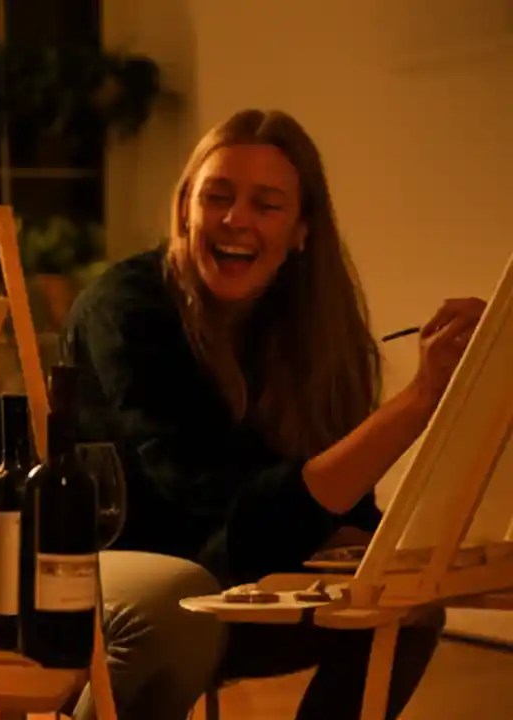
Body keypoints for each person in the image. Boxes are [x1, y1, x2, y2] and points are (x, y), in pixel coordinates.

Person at [61, 108, 486, 720]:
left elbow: (335, 513)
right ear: (185, 209)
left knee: (405, 608)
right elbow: (219, 503)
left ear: (302, 231)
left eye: (266, 204)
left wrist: (408, 555)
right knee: (178, 601)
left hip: (229, 578)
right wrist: (418, 402)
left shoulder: (310, 330)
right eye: (217, 197)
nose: (236, 219)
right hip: (107, 578)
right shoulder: (127, 309)